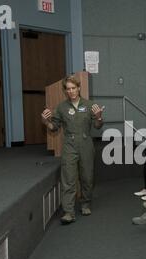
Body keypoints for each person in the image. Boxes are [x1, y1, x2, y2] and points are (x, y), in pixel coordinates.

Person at [41, 75, 104, 224]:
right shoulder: (61, 107)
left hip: (86, 143)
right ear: (65, 91)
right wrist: (45, 122)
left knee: (87, 177)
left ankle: (86, 203)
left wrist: (99, 117)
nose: (71, 91)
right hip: (69, 145)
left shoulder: (89, 105)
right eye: (68, 89)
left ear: (79, 88)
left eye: (73, 88)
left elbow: (97, 126)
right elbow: (54, 128)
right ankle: (68, 212)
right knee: (68, 178)